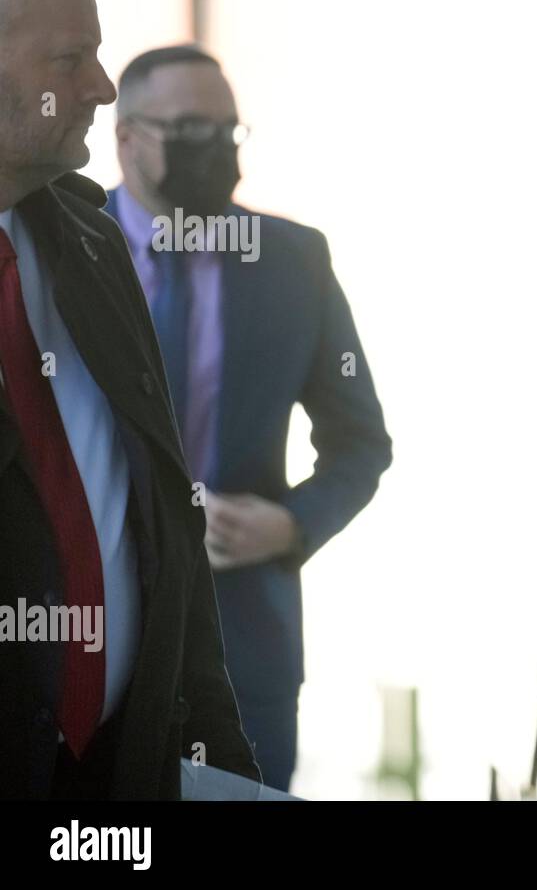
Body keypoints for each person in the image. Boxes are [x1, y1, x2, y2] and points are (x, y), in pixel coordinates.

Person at [0, 0, 258, 799]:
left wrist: (215, 756)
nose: (102, 88)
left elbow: (157, 521)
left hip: (123, 782)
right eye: (70, 60)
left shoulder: (91, 244)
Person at [105, 45, 393, 791]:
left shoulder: (293, 260)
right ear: (126, 137)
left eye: (228, 132)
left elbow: (361, 441)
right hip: (87, 634)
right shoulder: (62, 246)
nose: (218, 150)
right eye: (192, 130)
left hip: (244, 647)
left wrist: (291, 525)